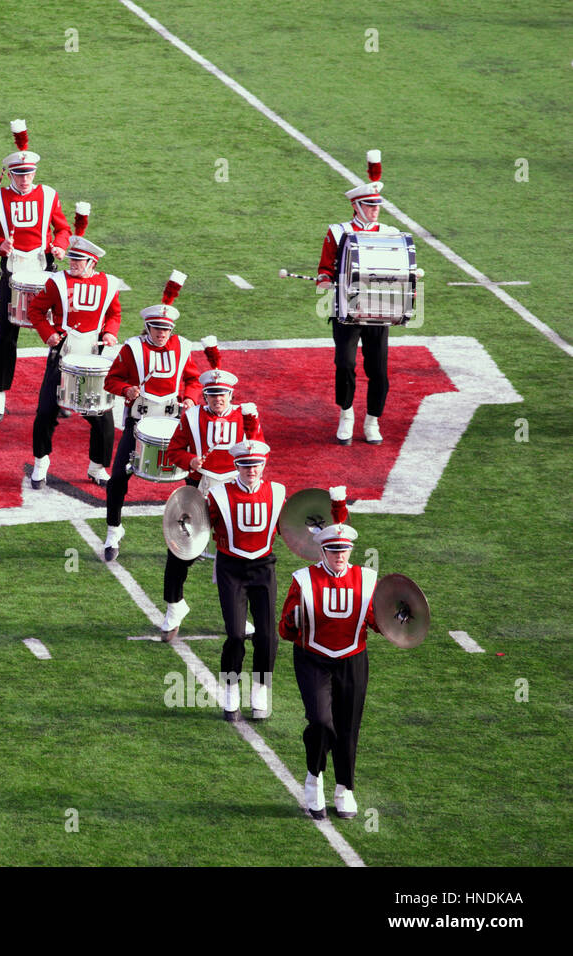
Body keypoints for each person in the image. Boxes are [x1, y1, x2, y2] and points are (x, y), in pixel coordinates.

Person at [278, 488, 382, 820]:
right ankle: (314, 776)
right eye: (334, 549)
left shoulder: (366, 579)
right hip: (312, 657)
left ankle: (344, 788)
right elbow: (284, 628)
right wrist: (293, 620)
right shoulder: (303, 580)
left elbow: (376, 621)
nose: (340, 555)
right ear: (322, 550)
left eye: (344, 550)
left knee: (349, 725)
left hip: (353, 659)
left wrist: (397, 618)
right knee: (322, 722)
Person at [158, 355, 265, 640]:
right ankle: (174, 606)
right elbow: (173, 451)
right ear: (205, 394)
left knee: (239, 556)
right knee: (179, 549)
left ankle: (238, 616)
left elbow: (259, 452)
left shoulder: (245, 414)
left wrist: (253, 425)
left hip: (235, 494)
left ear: (231, 394)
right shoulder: (191, 416)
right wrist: (191, 460)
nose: (219, 399)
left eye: (223, 394)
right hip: (199, 492)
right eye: (213, 394)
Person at [100, 271, 203, 566]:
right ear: (148, 326)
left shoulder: (183, 347)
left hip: (175, 424)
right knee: (118, 475)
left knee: (196, 476)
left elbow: (194, 380)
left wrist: (189, 398)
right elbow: (111, 380)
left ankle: (193, 530)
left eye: (166, 329)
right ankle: (113, 530)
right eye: (156, 328)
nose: (161, 333)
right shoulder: (133, 348)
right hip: (139, 422)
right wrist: (126, 389)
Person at [0, 120, 70, 421]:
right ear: (10, 173)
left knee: (60, 335)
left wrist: (60, 245)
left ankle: (60, 394)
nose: (25, 179)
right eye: (19, 174)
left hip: (46, 276)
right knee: (3, 337)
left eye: (29, 174)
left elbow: (63, 228)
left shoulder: (49, 195)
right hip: (13, 277)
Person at [24, 206, 121, 489]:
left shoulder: (108, 284)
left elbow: (114, 314)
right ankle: (41, 462)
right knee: (44, 412)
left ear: (92, 263)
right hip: (62, 357)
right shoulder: (57, 282)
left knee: (102, 417)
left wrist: (111, 333)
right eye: (73, 258)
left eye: (79, 260)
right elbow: (36, 311)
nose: (72, 263)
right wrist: (49, 335)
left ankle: (97, 466)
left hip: (93, 359)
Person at [317, 149, 399, 445]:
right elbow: (325, 268)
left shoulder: (390, 233)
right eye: (370, 205)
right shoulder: (337, 232)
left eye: (377, 205)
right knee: (345, 364)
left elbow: (399, 267)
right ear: (357, 206)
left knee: (378, 369)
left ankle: (373, 420)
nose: (376, 210)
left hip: (379, 308)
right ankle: (347, 414)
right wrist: (325, 280)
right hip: (347, 309)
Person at [206, 439, 284, 722]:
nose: (251, 469)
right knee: (237, 634)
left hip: (264, 567)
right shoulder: (218, 495)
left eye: (256, 464)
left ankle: (261, 689)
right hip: (231, 568)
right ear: (237, 465)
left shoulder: (277, 493)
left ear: (264, 465)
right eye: (246, 464)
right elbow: (200, 525)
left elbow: (292, 526)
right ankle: (230, 687)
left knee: (266, 636)